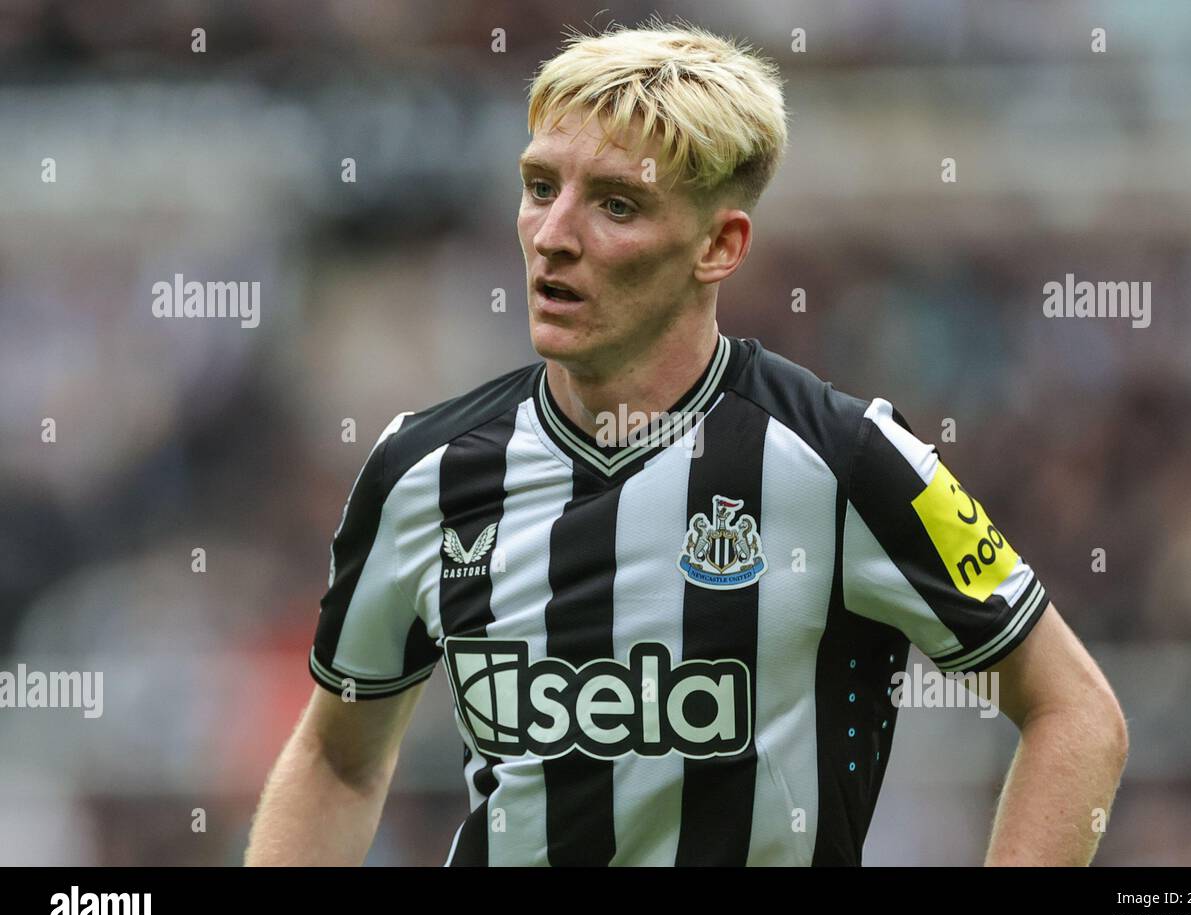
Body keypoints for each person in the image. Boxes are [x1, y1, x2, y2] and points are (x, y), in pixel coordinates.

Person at [246, 17, 1127, 867]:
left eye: (616, 205)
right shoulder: (422, 471)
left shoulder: (845, 460)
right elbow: (338, 758)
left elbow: (1073, 711)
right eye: (542, 187)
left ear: (719, 245)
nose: (554, 237)